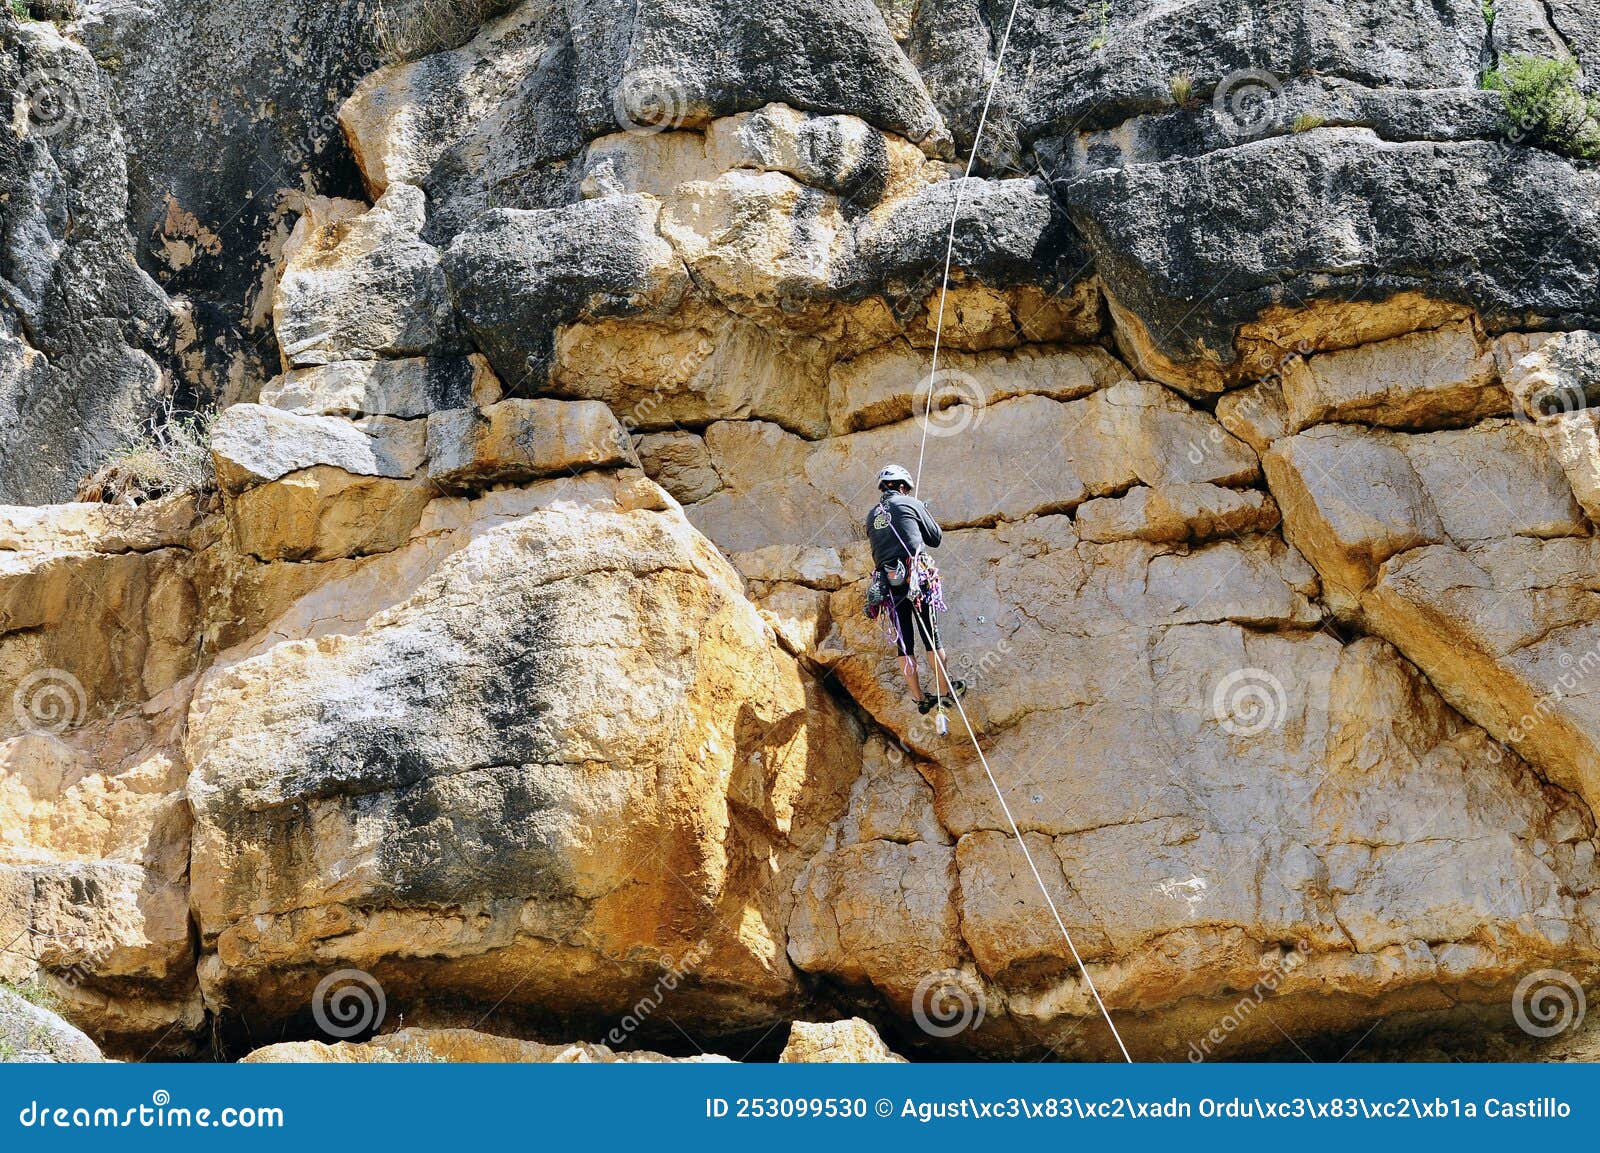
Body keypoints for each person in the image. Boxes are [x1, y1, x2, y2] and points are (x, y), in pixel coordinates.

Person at [865, 464, 965, 715]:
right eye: (906, 489)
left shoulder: (870, 516)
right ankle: (944, 694)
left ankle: (920, 698)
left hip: (888, 584)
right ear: (901, 487)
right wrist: (920, 513)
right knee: (931, 636)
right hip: (915, 578)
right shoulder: (910, 503)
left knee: (904, 644)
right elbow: (935, 538)